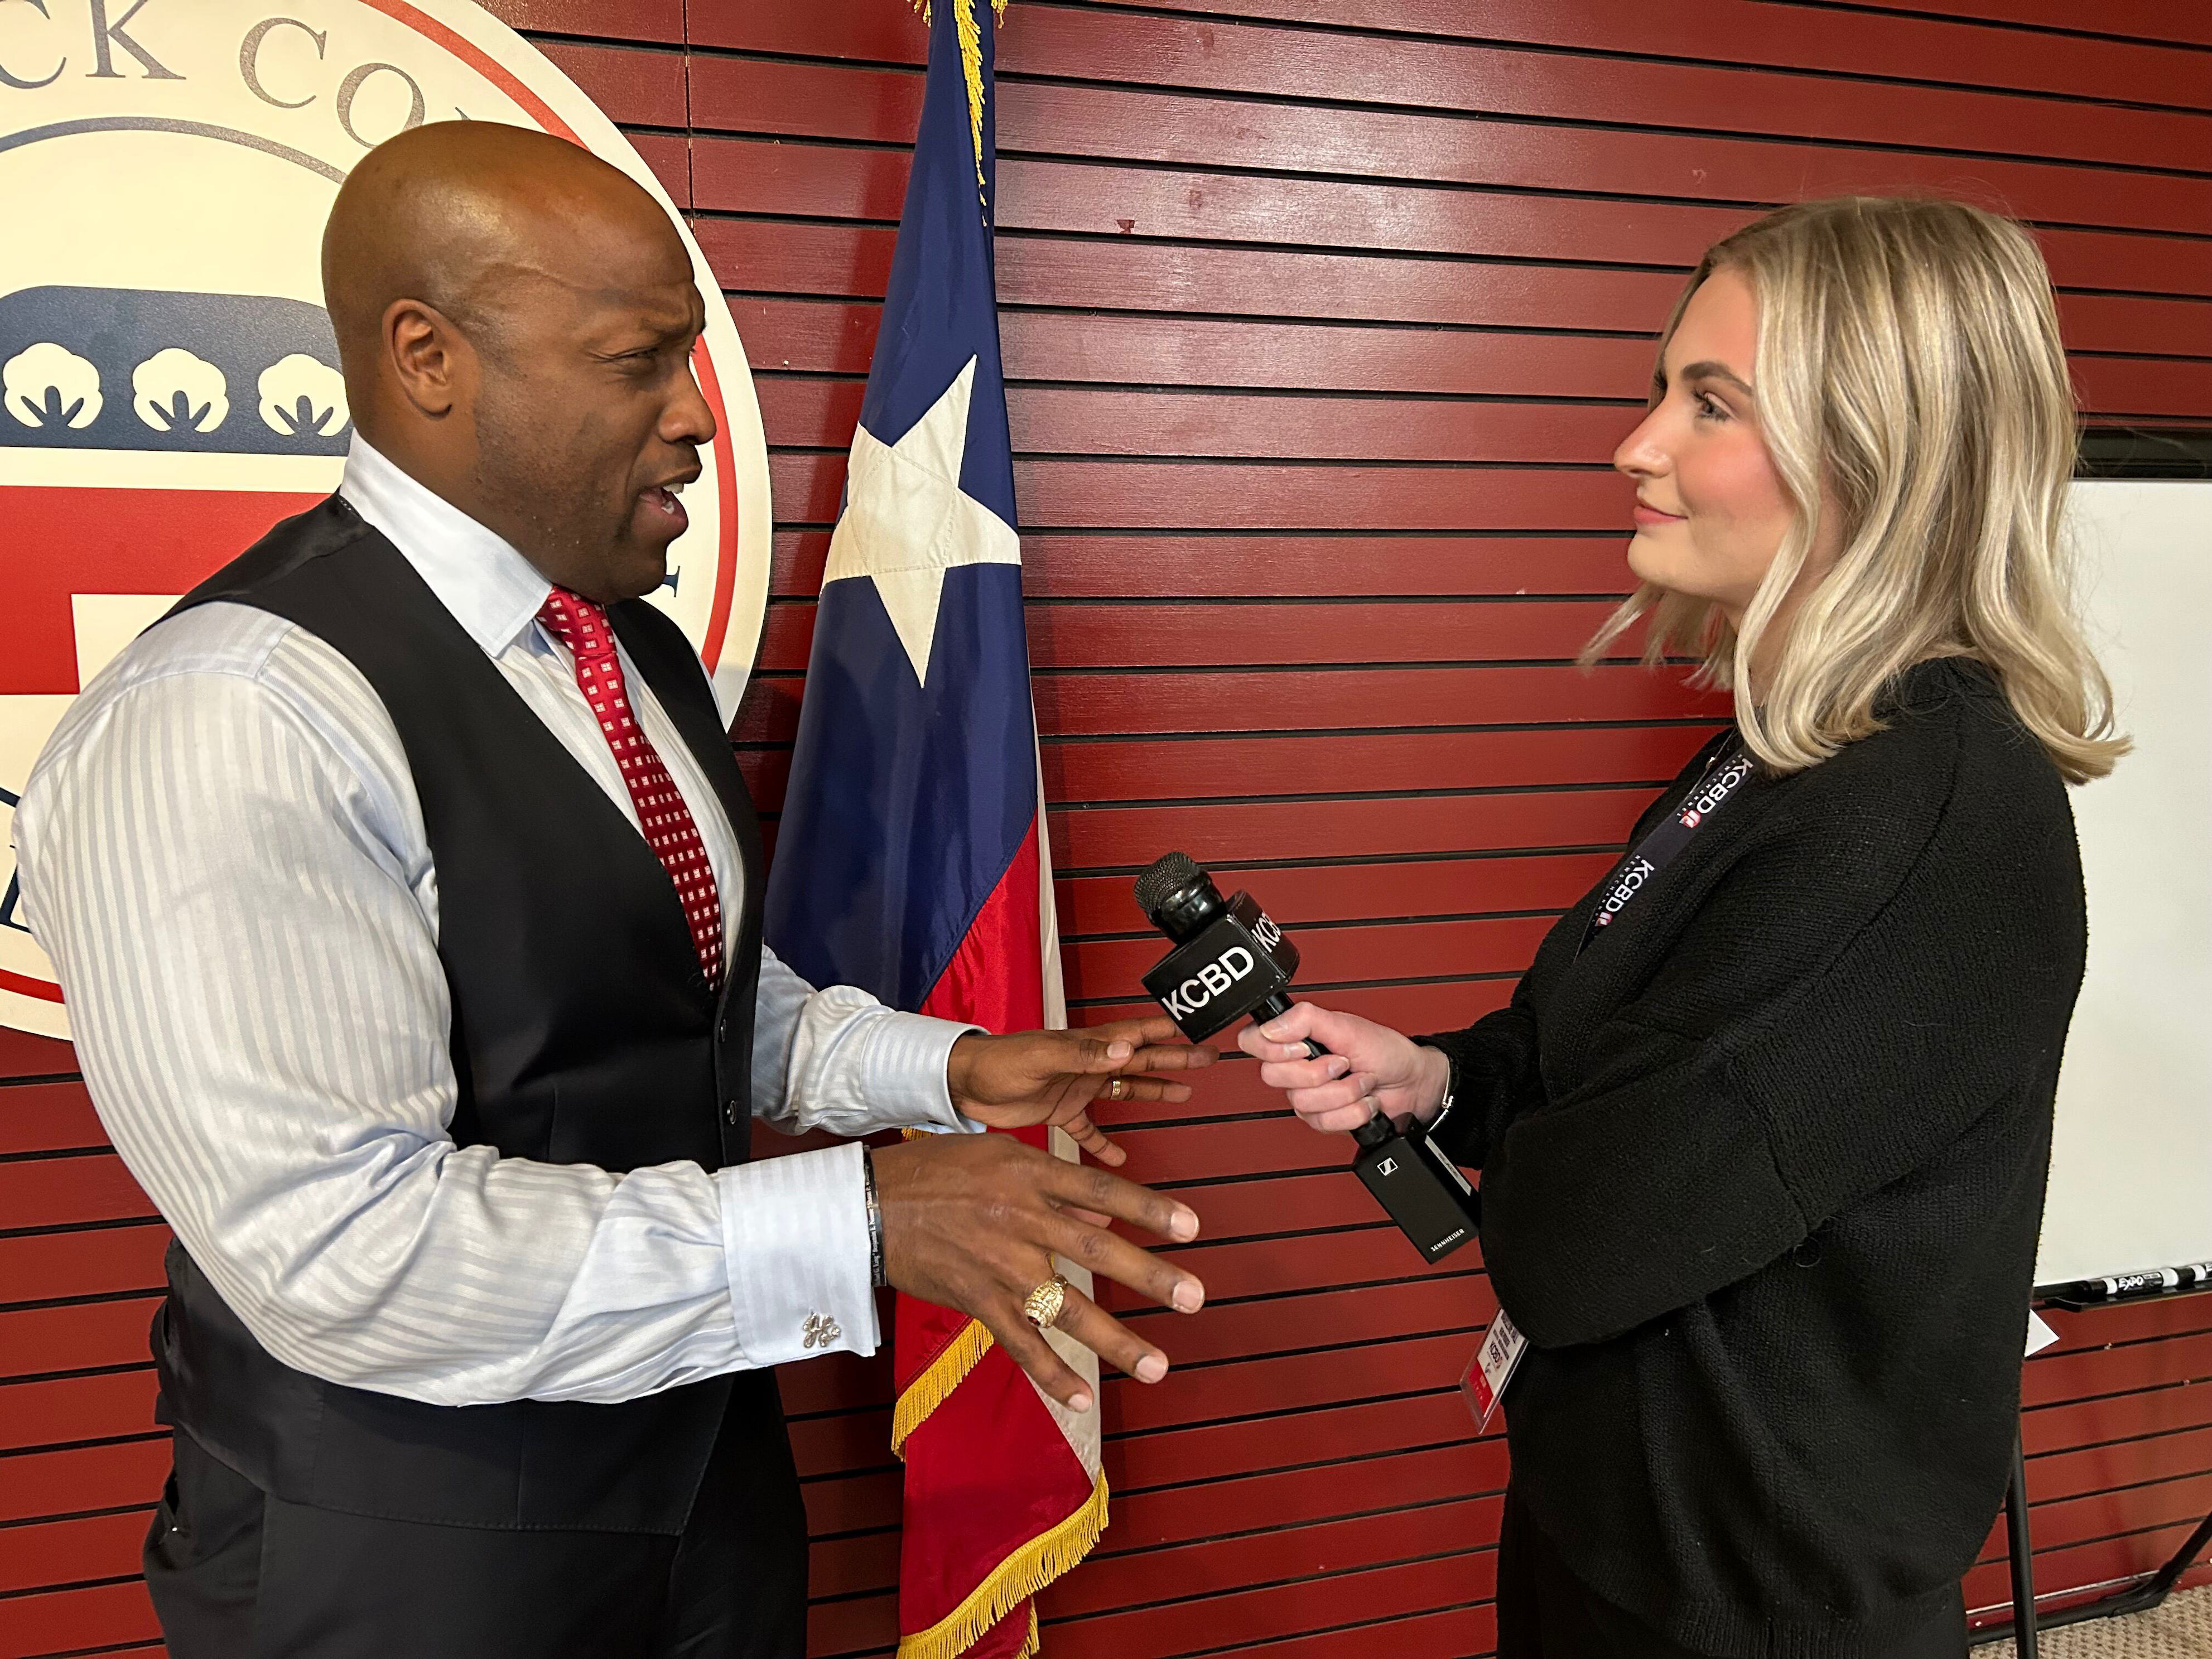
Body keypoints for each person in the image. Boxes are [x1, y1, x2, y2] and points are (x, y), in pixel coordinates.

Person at [13, 122, 1214, 1659]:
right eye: (640, 362)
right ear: (427, 358)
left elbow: (676, 989)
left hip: (700, 1496)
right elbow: (343, 1251)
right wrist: (852, 1220)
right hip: (416, 1560)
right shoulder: (236, 713)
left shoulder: (624, 649)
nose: (701, 418)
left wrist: (953, 1069)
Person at [1241, 196, 2126, 1659]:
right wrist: (1446, 1079)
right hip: (1624, 1535)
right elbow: (1591, 1048)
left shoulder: (1921, 817)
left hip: (1756, 1609)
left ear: (1882, 450)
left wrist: (1528, 1153)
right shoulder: (1786, 749)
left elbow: (1588, 1239)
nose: (1636, 446)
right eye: (1663, 388)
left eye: (1708, 402)